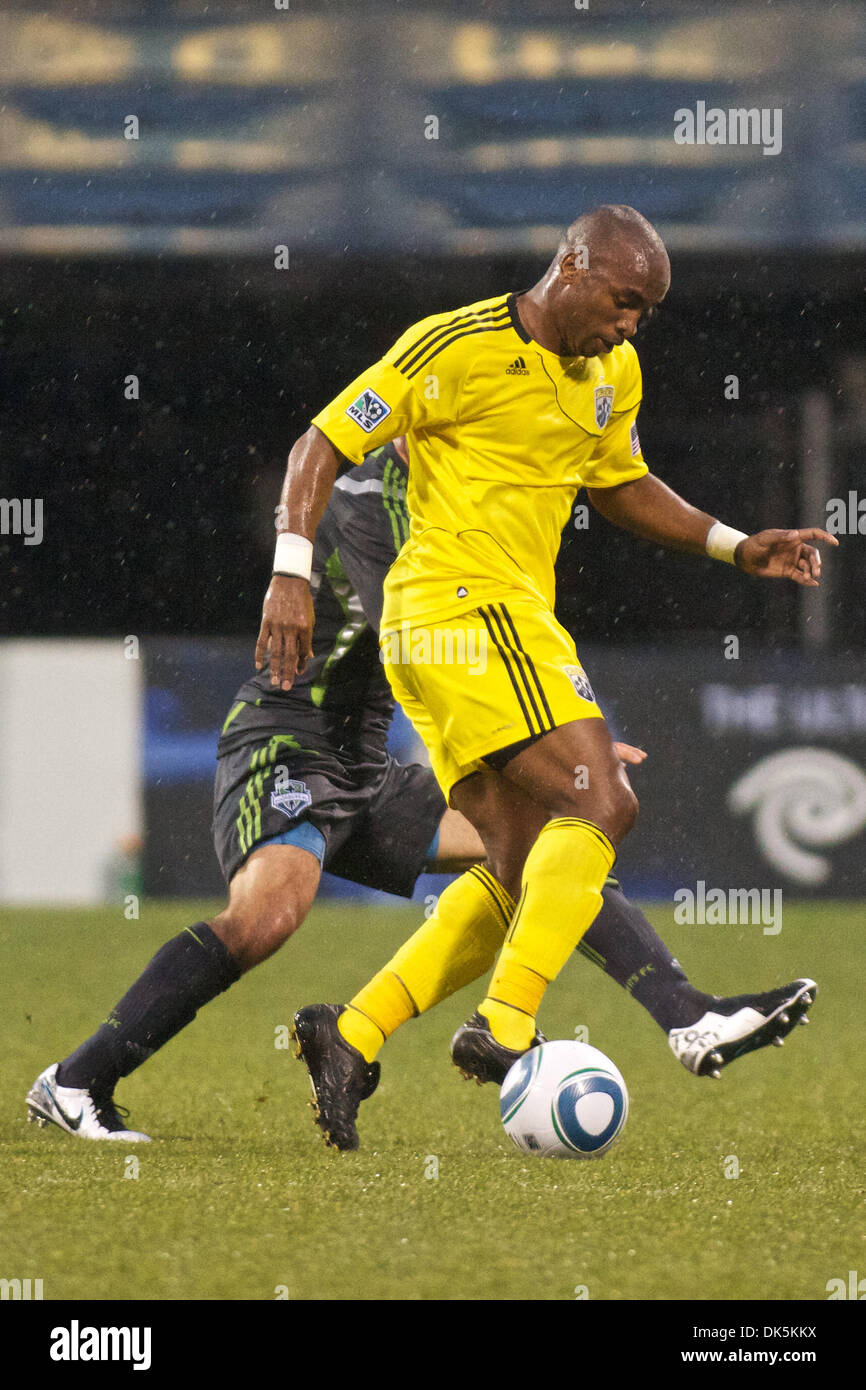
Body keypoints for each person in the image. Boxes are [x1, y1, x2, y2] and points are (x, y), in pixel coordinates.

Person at [25, 436, 815, 1146]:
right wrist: (551, 735)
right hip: (289, 738)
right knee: (268, 915)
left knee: (550, 850)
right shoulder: (370, 504)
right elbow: (427, 633)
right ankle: (75, 1082)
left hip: (364, 762)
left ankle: (683, 1014)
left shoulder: (461, 496)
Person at [257, 205, 833, 1150]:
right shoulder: (454, 346)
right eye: (623, 301)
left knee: (519, 860)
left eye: (646, 312)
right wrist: (290, 568)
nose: (630, 325)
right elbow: (319, 446)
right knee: (602, 802)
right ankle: (509, 1024)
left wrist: (736, 546)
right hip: (464, 606)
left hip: (479, 628)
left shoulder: (614, 373)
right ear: (571, 266)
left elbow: (617, 482)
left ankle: (349, 1033)